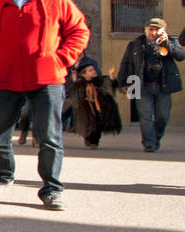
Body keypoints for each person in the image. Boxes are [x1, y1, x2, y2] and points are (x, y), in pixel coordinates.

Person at [0, 0, 90, 209]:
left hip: (47, 79)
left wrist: (60, 59)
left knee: (49, 136)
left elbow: (79, 32)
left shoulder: (57, 0)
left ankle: (51, 189)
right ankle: (2, 177)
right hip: (6, 80)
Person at [116, 17, 184, 152]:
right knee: (145, 116)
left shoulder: (171, 42)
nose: (153, 33)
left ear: (163, 30)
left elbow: (180, 56)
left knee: (162, 116)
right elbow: (125, 64)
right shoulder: (135, 44)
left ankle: (155, 138)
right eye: (150, 30)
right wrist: (122, 83)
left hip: (163, 86)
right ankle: (149, 144)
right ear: (145, 30)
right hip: (142, 85)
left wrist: (166, 44)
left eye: (156, 30)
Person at [67, 56, 121, 148]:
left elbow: (108, 86)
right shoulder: (79, 84)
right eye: (90, 70)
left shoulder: (99, 81)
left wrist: (112, 80)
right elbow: (73, 94)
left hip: (98, 107)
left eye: (93, 69)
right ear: (84, 74)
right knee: (87, 124)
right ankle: (88, 139)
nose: (94, 71)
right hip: (85, 108)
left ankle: (95, 141)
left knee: (98, 123)